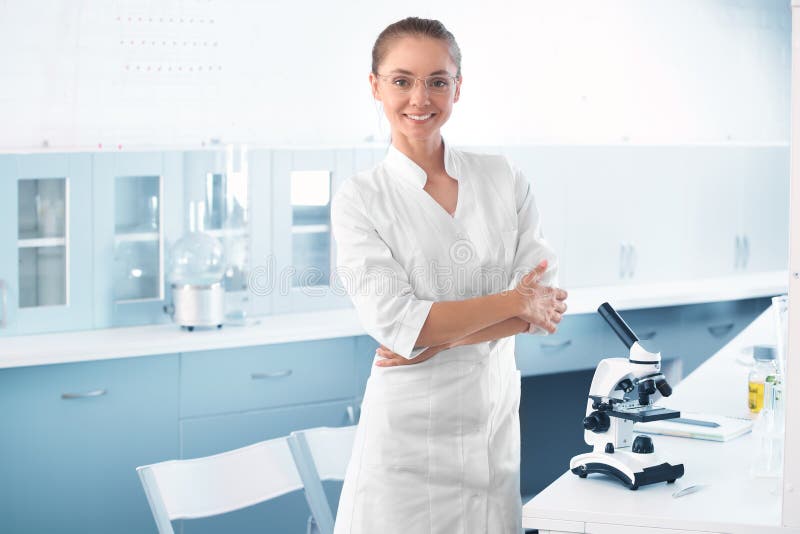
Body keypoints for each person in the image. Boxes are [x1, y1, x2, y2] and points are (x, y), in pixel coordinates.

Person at [330, 16, 568, 534]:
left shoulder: (502, 178)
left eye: (437, 81)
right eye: (401, 80)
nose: (420, 98)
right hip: (407, 448)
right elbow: (399, 323)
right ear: (375, 86)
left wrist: (439, 337)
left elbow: (544, 306)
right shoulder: (361, 199)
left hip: (492, 433)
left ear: (457, 87)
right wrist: (512, 303)